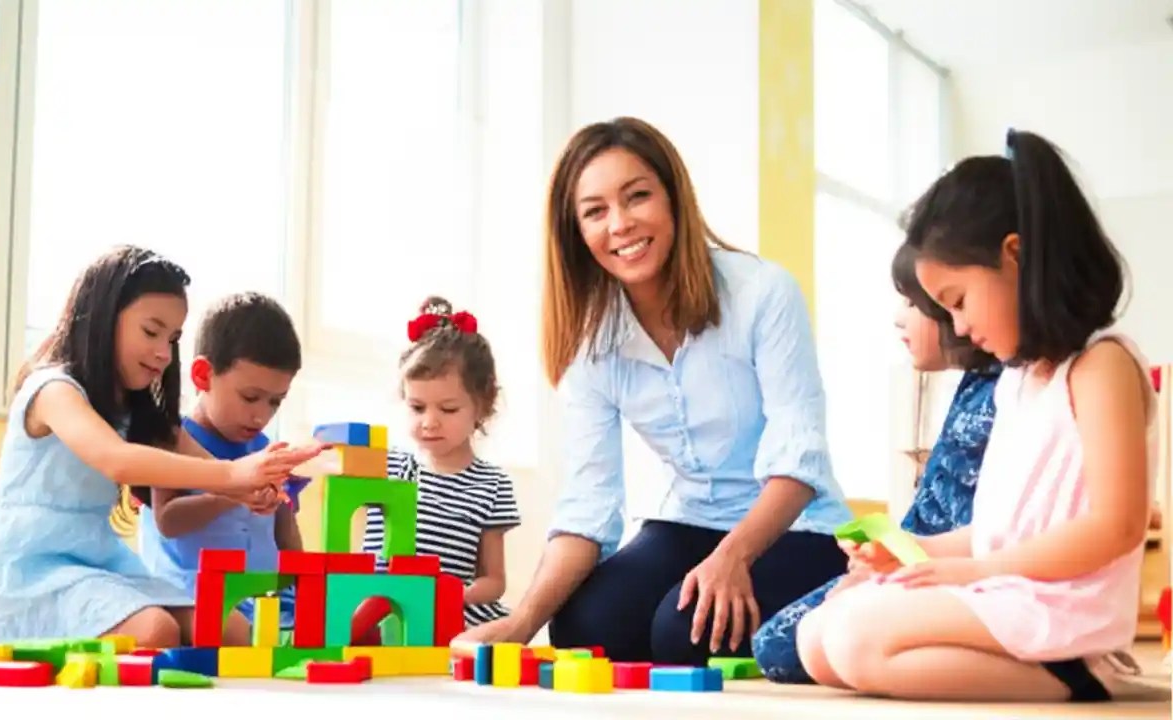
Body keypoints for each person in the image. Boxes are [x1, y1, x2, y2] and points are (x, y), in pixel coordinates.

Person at [456, 116, 851, 665]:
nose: (620, 224)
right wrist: (521, 623)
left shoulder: (762, 292)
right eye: (595, 211)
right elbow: (590, 503)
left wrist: (733, 557)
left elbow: (800, 459)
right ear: (576, 231)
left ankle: (828, 604)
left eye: (637, 197)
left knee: (683, 632)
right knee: (581, 628)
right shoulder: (594, 343)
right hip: (689, 520)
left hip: (797, 527)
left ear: (673, 200)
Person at [797, 130, 1153, 702]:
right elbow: (997, 533)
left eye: (958, 301)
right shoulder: (1016, 382)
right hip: (1013, 592)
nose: (958, 329)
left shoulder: (1100, 366)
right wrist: (915, 555)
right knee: (817, 636)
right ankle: (1054, 672)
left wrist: (975, 574)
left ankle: (1081, 674)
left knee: (856, 641)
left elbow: (1117, 527)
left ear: (1014, 257)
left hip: (1060, 611)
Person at [0, 246, 321, 647]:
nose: (162, 352)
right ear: (102, 319)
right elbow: (116, 461)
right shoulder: (54, 390)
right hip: (32, 567)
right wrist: (231, 475)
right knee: (156, 631)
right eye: (151, 332)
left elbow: (197, 457)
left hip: (99, 560)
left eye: (172, 339)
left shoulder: (135, 408)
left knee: (229, 628)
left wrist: (254, 487)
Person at [751, 241, 1001, 682]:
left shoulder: (1002, 394)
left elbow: (982, 533)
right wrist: (880, 556)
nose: (898, 318)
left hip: (950, 575)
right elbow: (931, 520)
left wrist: (892, 569)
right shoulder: (973, 386)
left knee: (792, 646)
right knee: (775, 645)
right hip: (917, 561)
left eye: (912, 303)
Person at [136, 292, 308, 640]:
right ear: (203, 376)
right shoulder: (175, 438)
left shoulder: (264, 449)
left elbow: (287, 542)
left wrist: (284, 502)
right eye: (249, 397)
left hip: (264, 599)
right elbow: (167, 520)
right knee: (234, 632)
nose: (261, 414)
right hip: (189, 595)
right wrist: (232, 492)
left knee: (334, 625)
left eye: (275, 402)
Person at [357, 297, 520, 637]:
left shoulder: (492, 484)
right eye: (417, 408)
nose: (429, 423)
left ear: (483, 406)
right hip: (378, 613)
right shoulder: (388, 467)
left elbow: (494, 581)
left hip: (449, 616)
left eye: (448, 409)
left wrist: (453, 596)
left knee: (498, 637)